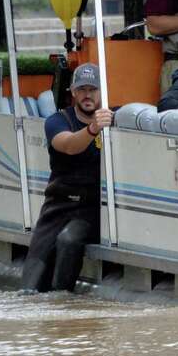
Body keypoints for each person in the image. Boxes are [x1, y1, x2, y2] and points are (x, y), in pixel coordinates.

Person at [20, 63, 113, 293]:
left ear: (102, 92)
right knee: (30, 284)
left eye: (93, 89)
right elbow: (68, 145)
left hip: (92, 207)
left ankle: (62, 299)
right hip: (58, 205)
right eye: (82, 89)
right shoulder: (58, 120)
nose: (88, 95)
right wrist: (93, 129)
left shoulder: (114, 119)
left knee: (69, 240)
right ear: (73, 92)